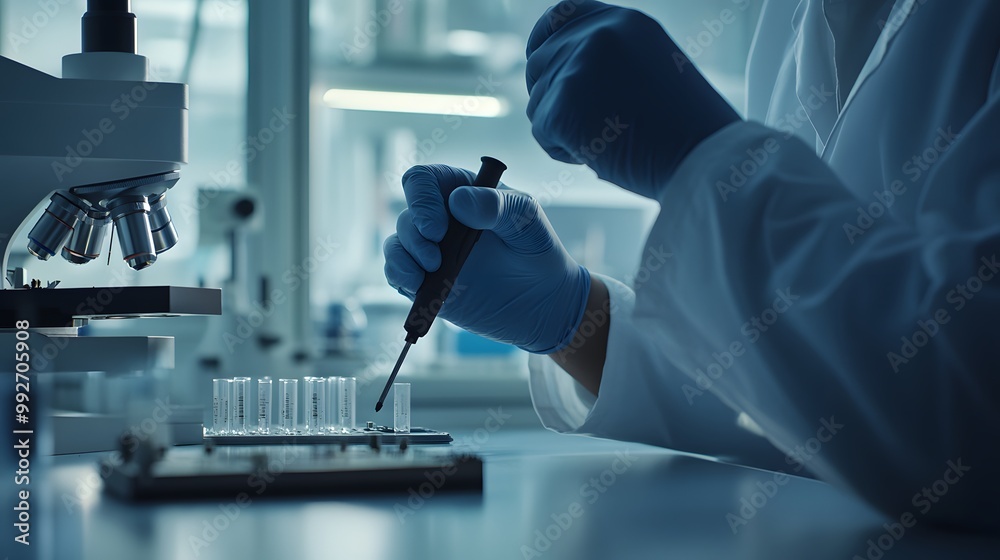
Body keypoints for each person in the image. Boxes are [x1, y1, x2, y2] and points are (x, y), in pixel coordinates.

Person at [383, 0, 1000, 529]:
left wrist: (703, 159)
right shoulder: (787, 19)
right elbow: (783, 399)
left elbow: (974, 421)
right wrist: (577, 320)